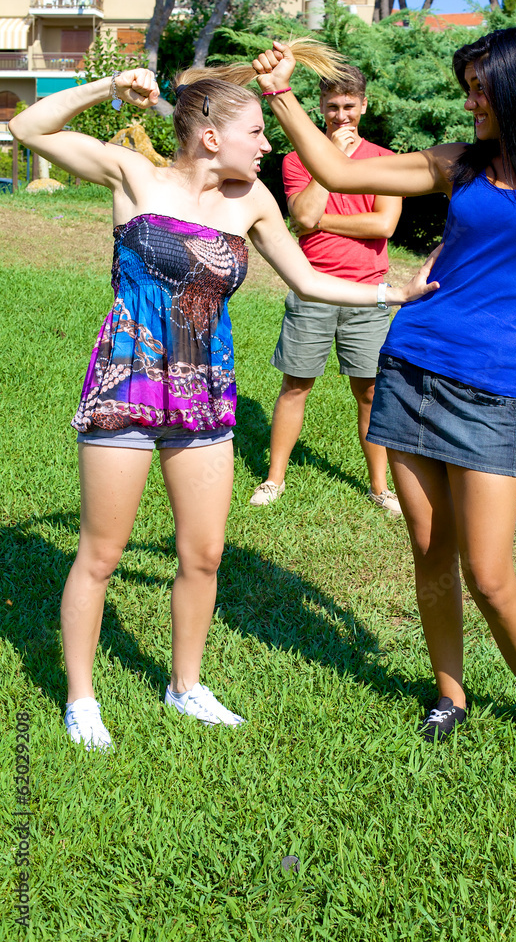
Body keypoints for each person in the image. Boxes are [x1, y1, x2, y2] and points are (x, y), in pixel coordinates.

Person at [9, 43, 436, 751]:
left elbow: (307, 280)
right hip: (129, 378)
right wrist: (112, 85)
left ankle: (186, 684)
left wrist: (391, 290)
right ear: (211, 137)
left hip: (205, 390)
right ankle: (81, 698)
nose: (267, 145)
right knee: (101, 553)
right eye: (256, 133)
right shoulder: (134, 175)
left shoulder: (252, 202)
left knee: (203, 553)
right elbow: (30, 130)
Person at [251, 28, 516, 755]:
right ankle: (450, 692)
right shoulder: (459, 164)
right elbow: (337, 173)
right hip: (411, 366)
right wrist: (281, 92)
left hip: (489, 391)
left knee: (487, 571)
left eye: (481, 88)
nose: (471, 101)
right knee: (428, 551)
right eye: (467, 88)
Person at [249, 66, 403, 516]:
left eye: (349, 107)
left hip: (368, 292)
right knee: (296, 386)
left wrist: (322, 222)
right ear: (320, 108)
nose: (341, 116)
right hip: (312, 289)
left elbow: (384, 224)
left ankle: (379, 487)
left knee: (371, 392)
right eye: (332, 107)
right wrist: (328, 161)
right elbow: (301, 214)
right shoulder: (299, 158)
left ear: (364, 105)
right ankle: (274, 479)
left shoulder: (384, 159)